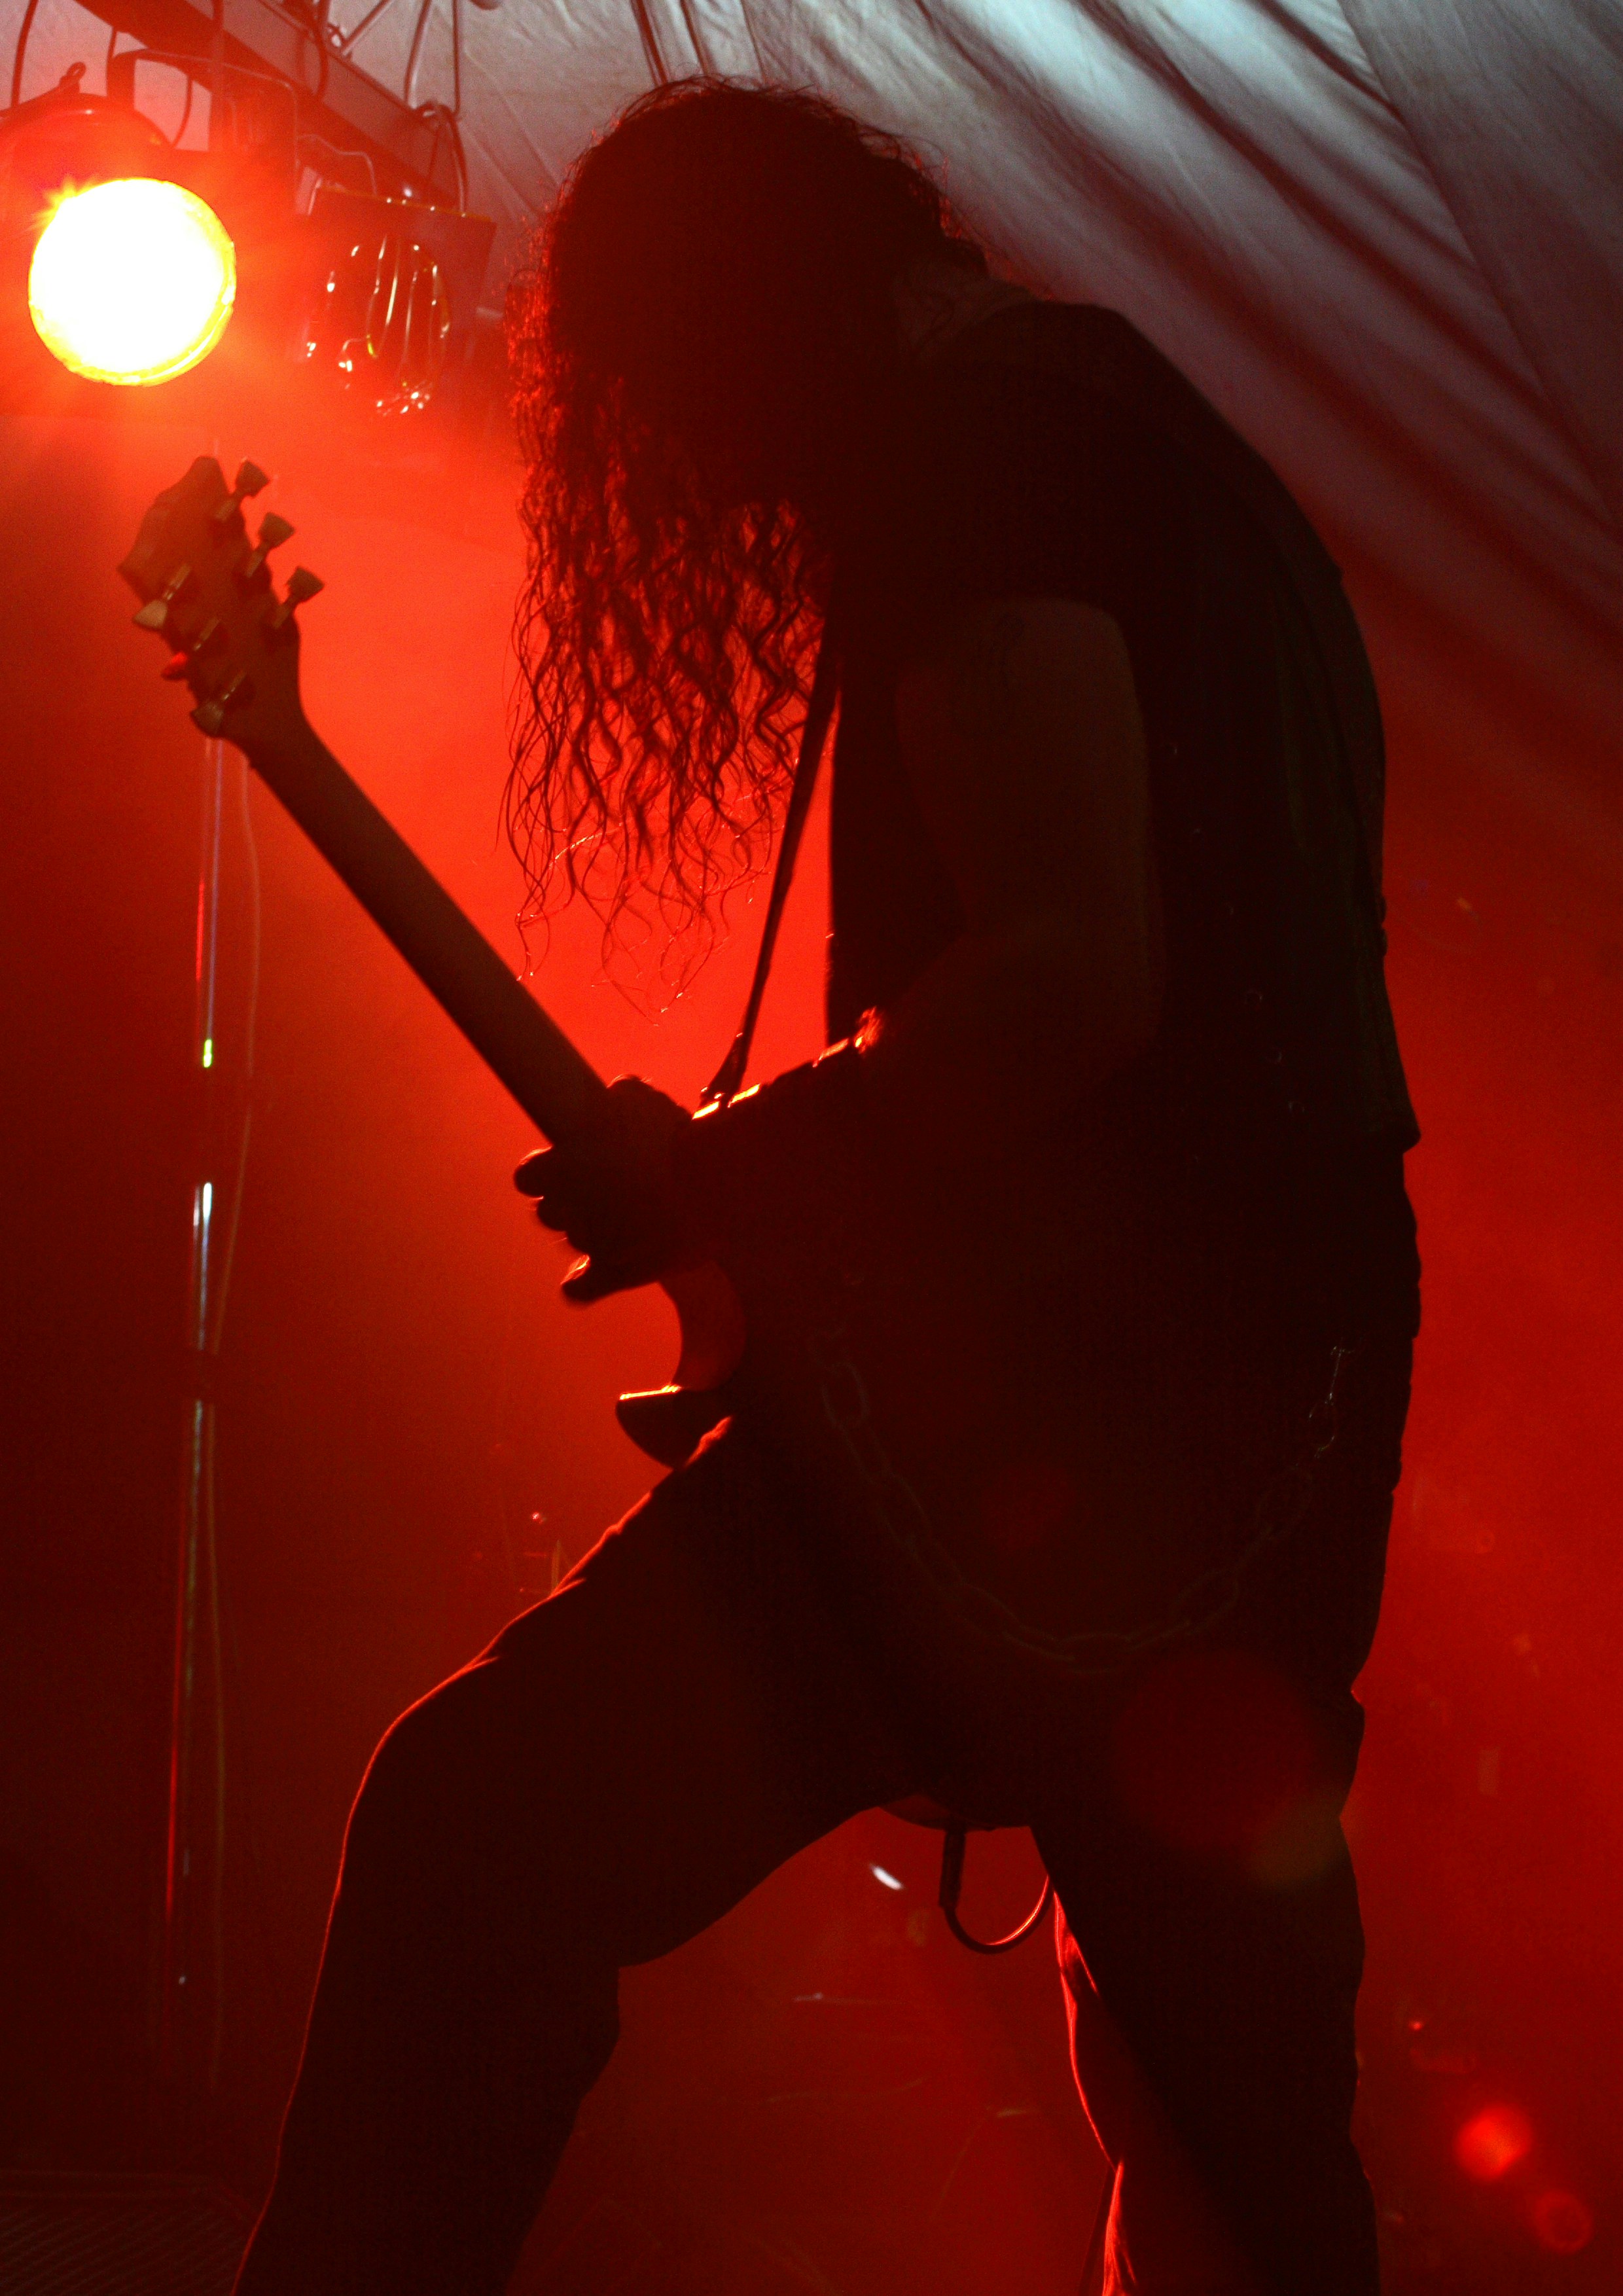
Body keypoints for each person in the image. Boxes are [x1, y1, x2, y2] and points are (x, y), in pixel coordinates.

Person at [234, 81, 1419, 2296]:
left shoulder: (984, 473)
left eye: (686, 398)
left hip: (1085, 1421)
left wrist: (742, 1162)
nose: (716, 475)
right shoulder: (1134, 428)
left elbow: (1080, 973)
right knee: (1213, 2092)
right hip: (1282, 1365)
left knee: (473, 1837)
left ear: (739, 323)